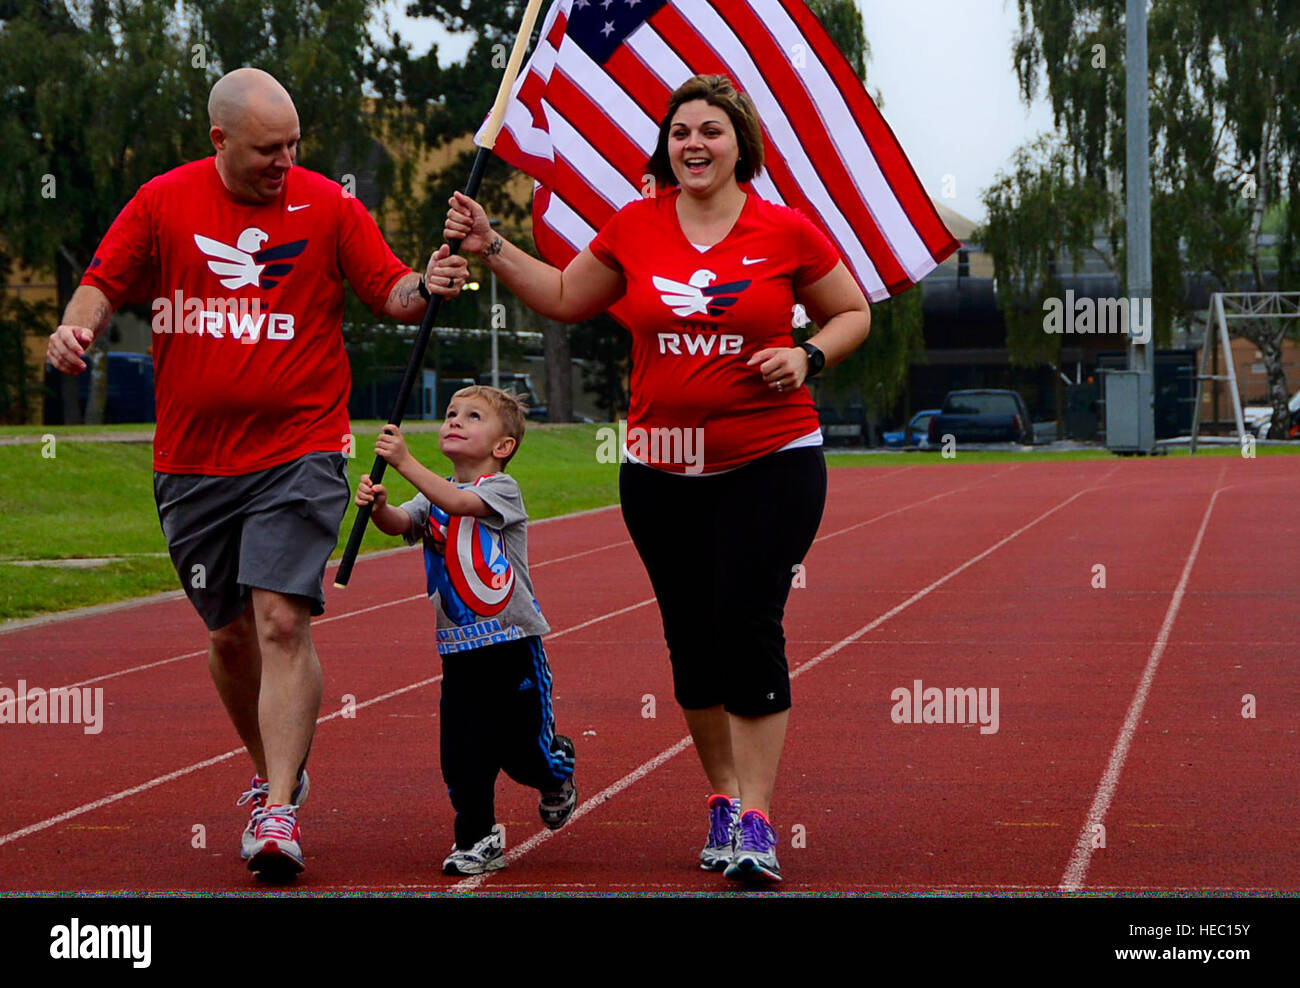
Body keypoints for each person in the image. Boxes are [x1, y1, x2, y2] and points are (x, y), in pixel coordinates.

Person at [44, 67, 470, 882]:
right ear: (220, 140)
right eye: (268, 149)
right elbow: (100, 283)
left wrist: (431, 283)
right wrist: (74, 328)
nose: (285, 162)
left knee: (280, 620)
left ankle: (277, 810)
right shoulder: (163, 201)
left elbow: (392, 291)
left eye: (294, 146)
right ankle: (277, 762)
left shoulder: (329, 204)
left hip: (302, 449)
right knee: (230, 635)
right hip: (194, 463)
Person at [444, 74, 871, 884]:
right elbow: (569, 296)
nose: (695, 145)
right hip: (660, 472)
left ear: (740, 143)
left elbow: (853, 311)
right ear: (666, 147)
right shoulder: (635, 225)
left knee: (748, 623)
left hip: (771, 463)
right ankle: (721, 793)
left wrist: (809, 354)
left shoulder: (786, 231)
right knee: (691, 642)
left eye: (711, 131)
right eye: (681, 133)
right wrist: (492, 248)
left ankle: (757, 819)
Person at [354, 387, 577, 875]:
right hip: (458, 655)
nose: (455, 421)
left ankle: (557, 770)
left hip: (511, 646)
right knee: (461, 756)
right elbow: (399, 524)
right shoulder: (427, 495)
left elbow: (456, 500)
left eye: (472, 417)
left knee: (526, 758)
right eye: (451, 414)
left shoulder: (500, 489)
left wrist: (404, 460)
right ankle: (478, 836)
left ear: (502, 448)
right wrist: (378, 507)